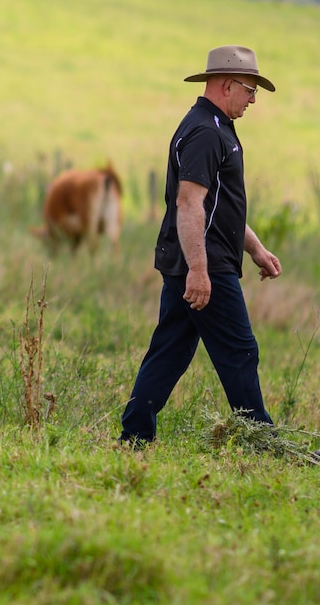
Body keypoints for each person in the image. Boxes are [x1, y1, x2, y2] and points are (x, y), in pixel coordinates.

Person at [119, 45, 284, 444]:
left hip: (195, 260)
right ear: (227, 85)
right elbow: (189, 202)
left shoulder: (214, 126)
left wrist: (255, 248)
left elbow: (219, 206)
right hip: (204, 264)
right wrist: (199, 270)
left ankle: (135, 435)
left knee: (170, 351)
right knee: (240, 350)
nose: (253, 100)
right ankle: (260, 438)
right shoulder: (206, 133)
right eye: (249, 90)